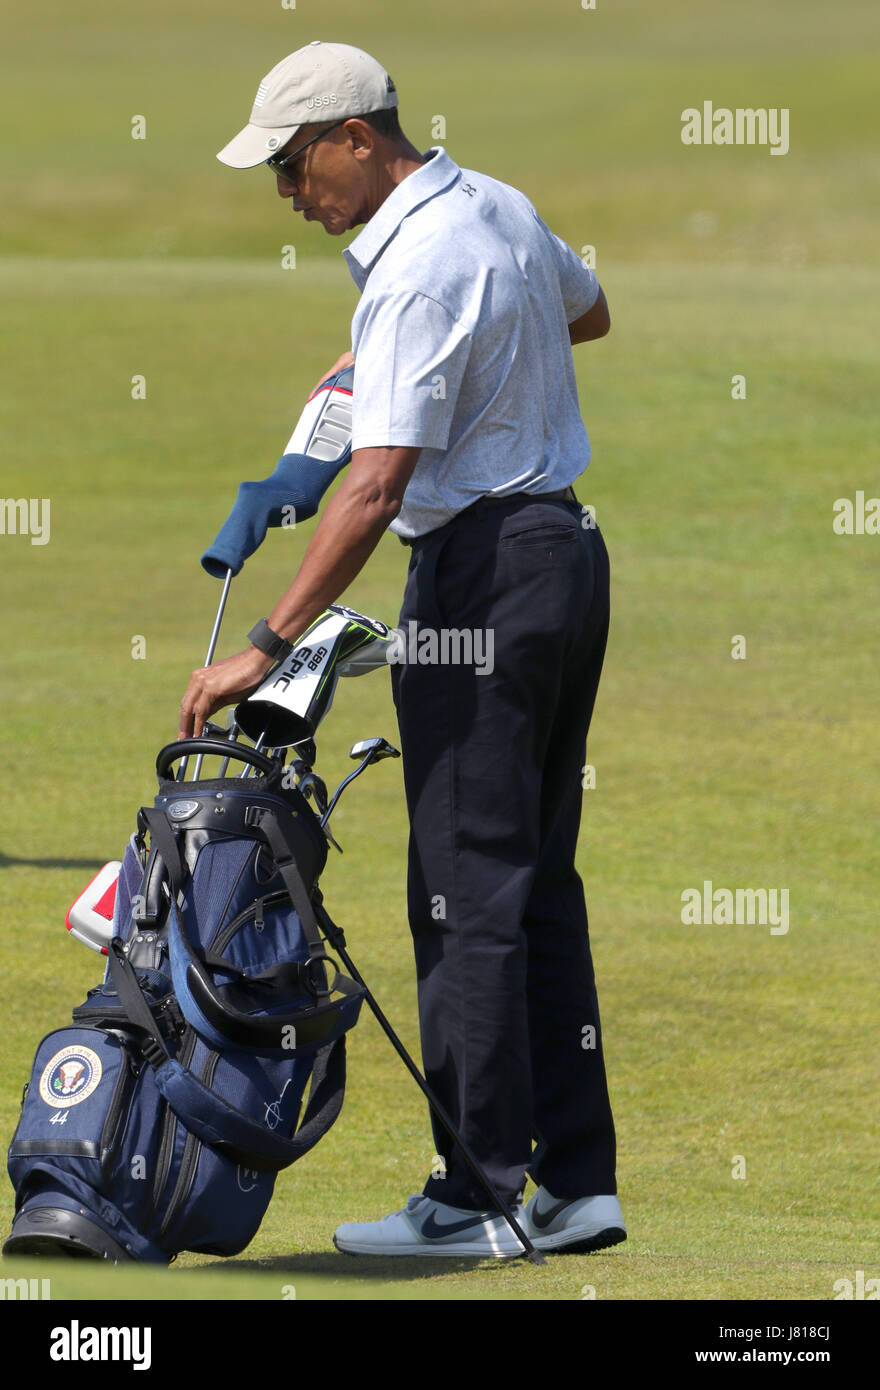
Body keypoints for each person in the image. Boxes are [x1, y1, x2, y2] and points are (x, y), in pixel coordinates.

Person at [178, 40, 625, 1258]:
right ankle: (576, 1185)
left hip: (481, 577)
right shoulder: (495, 203)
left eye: (292, 164)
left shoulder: (418, 264)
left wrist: (264, 647)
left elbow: (373, 492)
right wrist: (411, 372)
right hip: (562, 559)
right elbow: (585, 310)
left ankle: (475, 1194)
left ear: (357, 139)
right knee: (534, 880)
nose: (286, 193)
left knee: (463, 885)